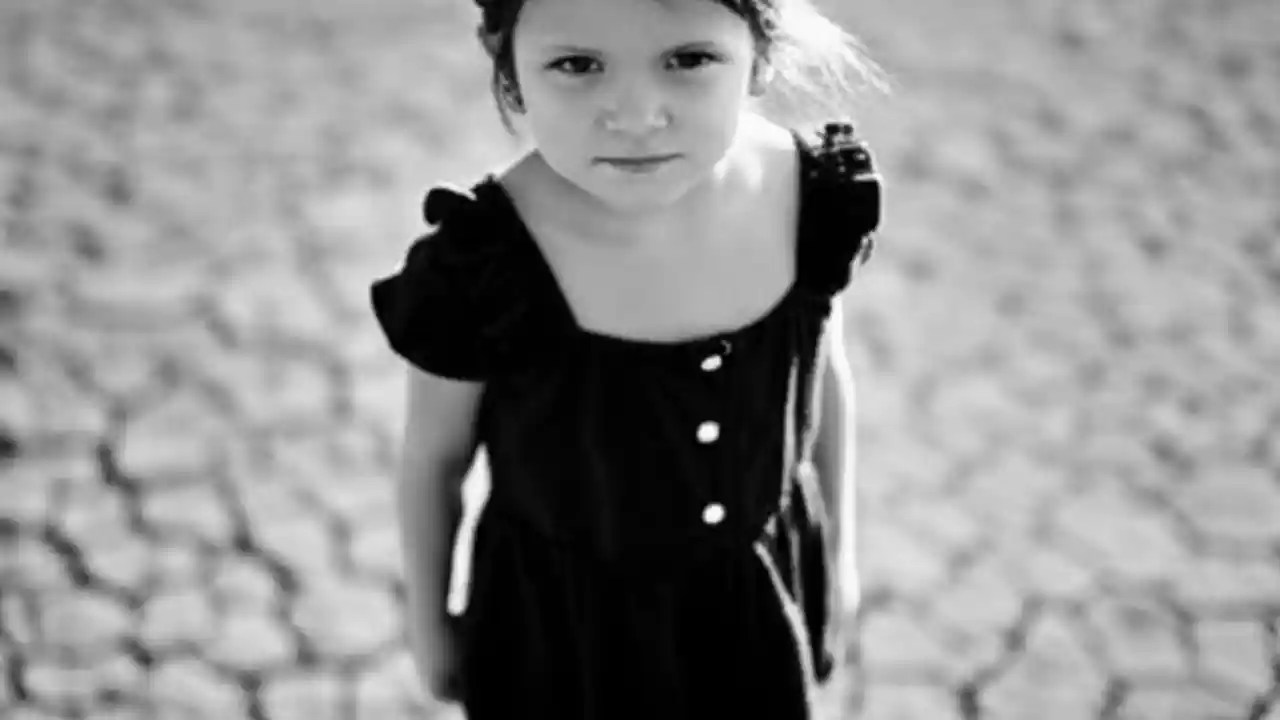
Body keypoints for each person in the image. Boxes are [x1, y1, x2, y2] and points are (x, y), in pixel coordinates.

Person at [369, 0, 885, 716]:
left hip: (752, 610)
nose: (637, 115)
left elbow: (823, 374)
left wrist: (842, 556)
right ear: (508, 65)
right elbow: (434, 458)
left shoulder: (809, 194)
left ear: (760, 52)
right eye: (578, 65)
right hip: (562, 634)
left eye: (688, 59)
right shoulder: (483, 264)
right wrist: (430, 626)